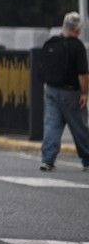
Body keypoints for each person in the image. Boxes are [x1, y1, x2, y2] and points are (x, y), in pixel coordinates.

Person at [38, 12, 89, 171]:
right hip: (71, 93)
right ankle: (87, 159)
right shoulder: (77, 46)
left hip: (51, 90)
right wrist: (85, 93)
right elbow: (83, 74)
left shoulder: (51, 42)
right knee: (79, 126)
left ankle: (47, 159)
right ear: (76, 29)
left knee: (52, 125)